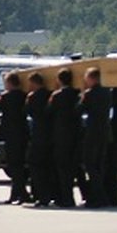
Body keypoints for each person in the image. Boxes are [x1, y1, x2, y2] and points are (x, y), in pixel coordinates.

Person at [0, 72, 29, 204]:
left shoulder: (6, 96)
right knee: (20, 165)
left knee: (14, 166)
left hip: (11, 134)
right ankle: (17, 194)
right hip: (23, 133)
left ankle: (21, 194)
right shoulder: (24, 96)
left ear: (10, 83)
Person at [79, 68, 113, 208]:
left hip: (93, 132)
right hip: (104, 131)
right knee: (99, 165)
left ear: (92, 79)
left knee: (90, 165)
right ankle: (99, 196)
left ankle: (99, 197)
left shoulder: (89, 93)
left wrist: (82, 96)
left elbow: (79, 109)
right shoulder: (107, 92)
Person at [48, 69, 80, 207]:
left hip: (60, 134)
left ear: (59, 80)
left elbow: (48, 111)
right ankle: (70, 197)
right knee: (72, 167)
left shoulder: (57, 95)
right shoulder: (77, 94)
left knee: (61, 168)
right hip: (74, 134)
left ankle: (64, 197)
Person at [25, 72, 54, 207]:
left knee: (36, 166)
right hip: (50, 135)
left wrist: (28, 98)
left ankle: (40, 196)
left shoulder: (34, 97)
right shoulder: (50, 94)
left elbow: (28, 111)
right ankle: (48, 194)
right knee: (47, 167)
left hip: (39, 136)